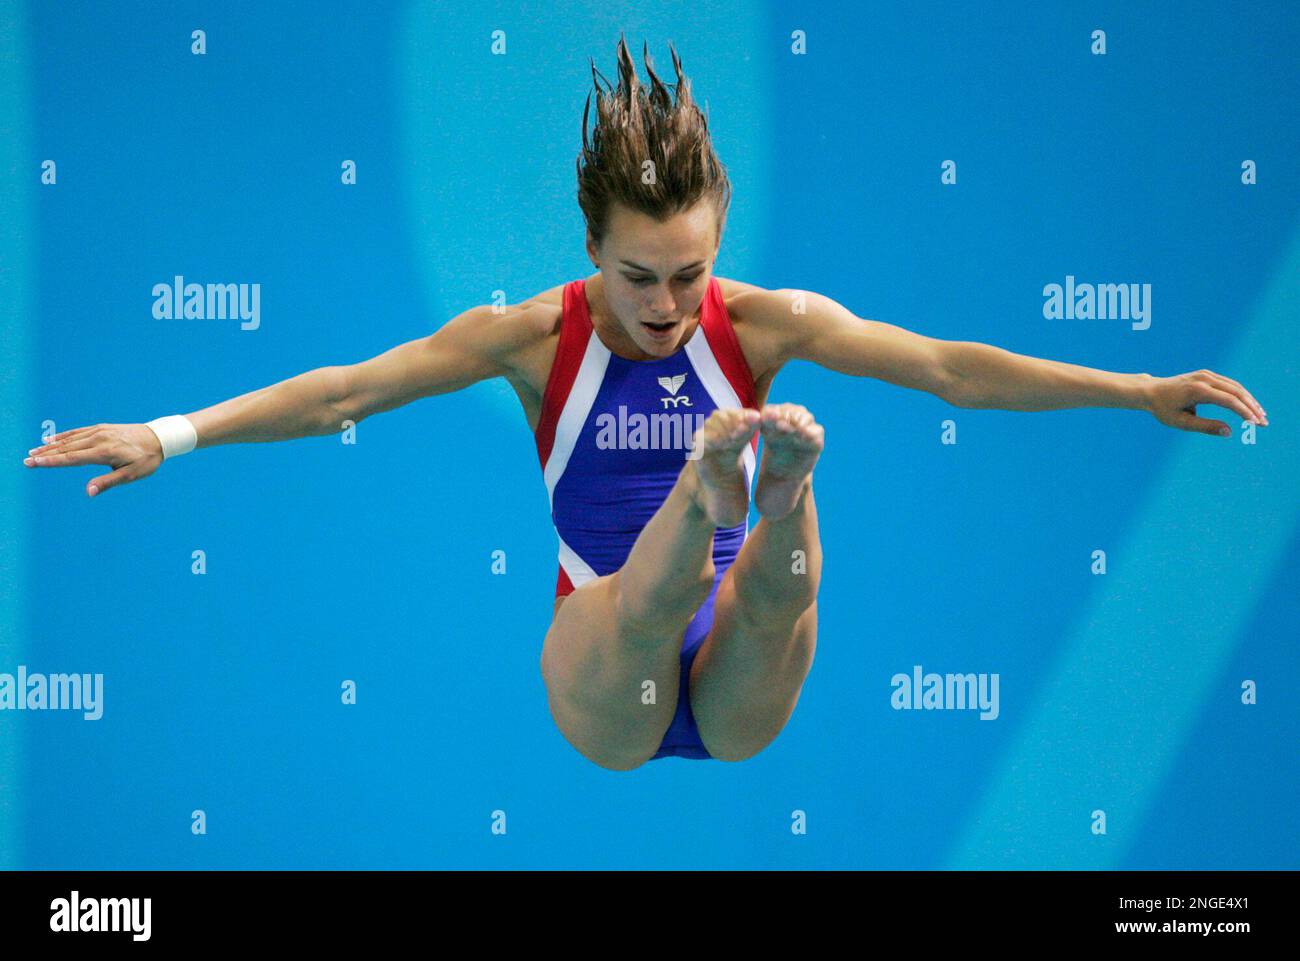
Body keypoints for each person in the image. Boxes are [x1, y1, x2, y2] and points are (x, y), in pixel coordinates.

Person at [22, 37, 1268, 771]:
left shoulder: (761, 321)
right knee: (647, 590)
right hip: (605, 670)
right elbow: (346, 392)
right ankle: (725, 478)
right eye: (638, 277)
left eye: (691, 273)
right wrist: (170, 433)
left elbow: (948, 367)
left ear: (717, 248)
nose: (669, 304)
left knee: (779, 578)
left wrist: (1134, 387)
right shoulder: (527, 338)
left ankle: (771, 491)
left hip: (735, 677)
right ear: (589, 247)